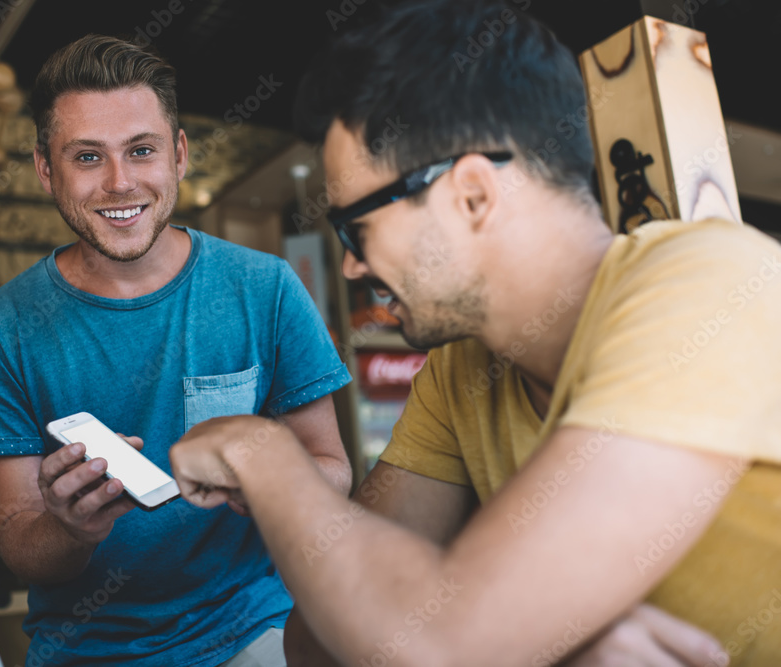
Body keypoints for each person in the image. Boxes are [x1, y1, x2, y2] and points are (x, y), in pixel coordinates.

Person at [167, 2, 781, 665]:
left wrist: (263, 453)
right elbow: (321, 645)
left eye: (356, 228)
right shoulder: (464, 369)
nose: (350, 263)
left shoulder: (712, 283)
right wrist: (530, 633)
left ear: (473, 195)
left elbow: (438, 640)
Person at [0, 34, 353, 667]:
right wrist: (66, 527)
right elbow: (19, 542)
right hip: (82, 649)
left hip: (250, 628)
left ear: (179, 155)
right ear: (45, 169)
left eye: (142, 150)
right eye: (88, 157)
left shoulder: (267, 286)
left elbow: (333, 467)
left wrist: (273, 478)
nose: (120, 182)